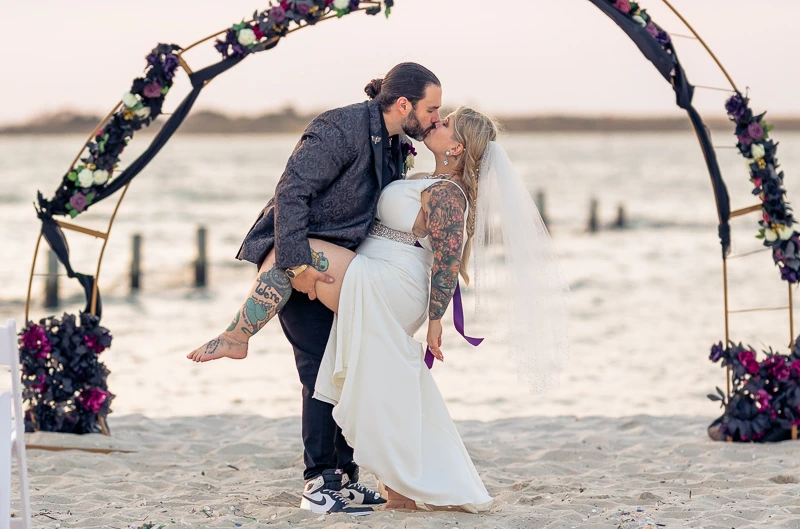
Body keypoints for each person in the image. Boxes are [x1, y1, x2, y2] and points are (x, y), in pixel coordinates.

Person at [190, 104, 570, 512]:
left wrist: (436, 322)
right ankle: (376, 480)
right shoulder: (425, 178)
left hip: (394, 281)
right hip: (376, 269)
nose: (435, 122)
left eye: (445, 123)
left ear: (457, 147)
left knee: (300, 252)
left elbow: (445, 262)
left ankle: (236, 336)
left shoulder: (448, 195)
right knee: (316, 302)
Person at [188, 62, 442, 516]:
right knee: (319, 369)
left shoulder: (394, 143)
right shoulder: (338, 126)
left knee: (346, 366)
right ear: (403, 104)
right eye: (431, 109)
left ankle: (345, 478)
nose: (435, 119)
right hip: (301, 266)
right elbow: (291, 192)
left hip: (347, 270)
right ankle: (318, 482)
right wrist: (297, 264)